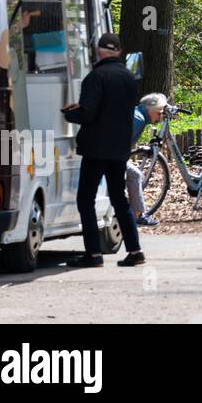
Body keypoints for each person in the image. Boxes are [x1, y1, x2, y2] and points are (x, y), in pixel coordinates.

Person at [60, 33, 144, 268]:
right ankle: (135, 250)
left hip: (96, 149)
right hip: (119, 148)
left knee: (85, 199)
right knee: (119, 198)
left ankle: (93, 254)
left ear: (98, 51)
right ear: (119, 51)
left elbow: (88, 113)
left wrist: (68, 113)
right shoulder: (129, 77)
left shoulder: (95, 77)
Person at [127, 93, 167, 227]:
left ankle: (137, 214)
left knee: (134, 174)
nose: (160, 117)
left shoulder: (136, 113)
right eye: (159, 113)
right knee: (134, 175)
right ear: (150, 109)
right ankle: (138, 215)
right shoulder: (138, 120)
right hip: (111, 157)